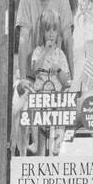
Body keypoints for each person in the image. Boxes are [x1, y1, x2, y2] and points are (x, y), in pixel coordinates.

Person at [29, 8, 71, 155]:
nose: (51, 34)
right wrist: (46, 52)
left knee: (63, 108)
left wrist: (59, 70)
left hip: (56, 95)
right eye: (48, 30)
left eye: (54, 30)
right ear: (43, 33)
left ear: (58, 32)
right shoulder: (38, 51)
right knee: (32, 107)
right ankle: (35, 142)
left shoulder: (60, 55)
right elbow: (35, 68)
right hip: (41, 96)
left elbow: (66, 81)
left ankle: (58, 143)